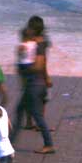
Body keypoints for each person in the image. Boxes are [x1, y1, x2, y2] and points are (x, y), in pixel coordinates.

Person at [13, 22, 56, 154]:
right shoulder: (36, 45)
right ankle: (10, 141)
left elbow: (37, 66)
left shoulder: (33, 47)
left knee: (35, 115)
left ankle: (49, 144)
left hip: (34, 86)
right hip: (36, 85)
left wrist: (23, 68)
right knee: (20, 111)